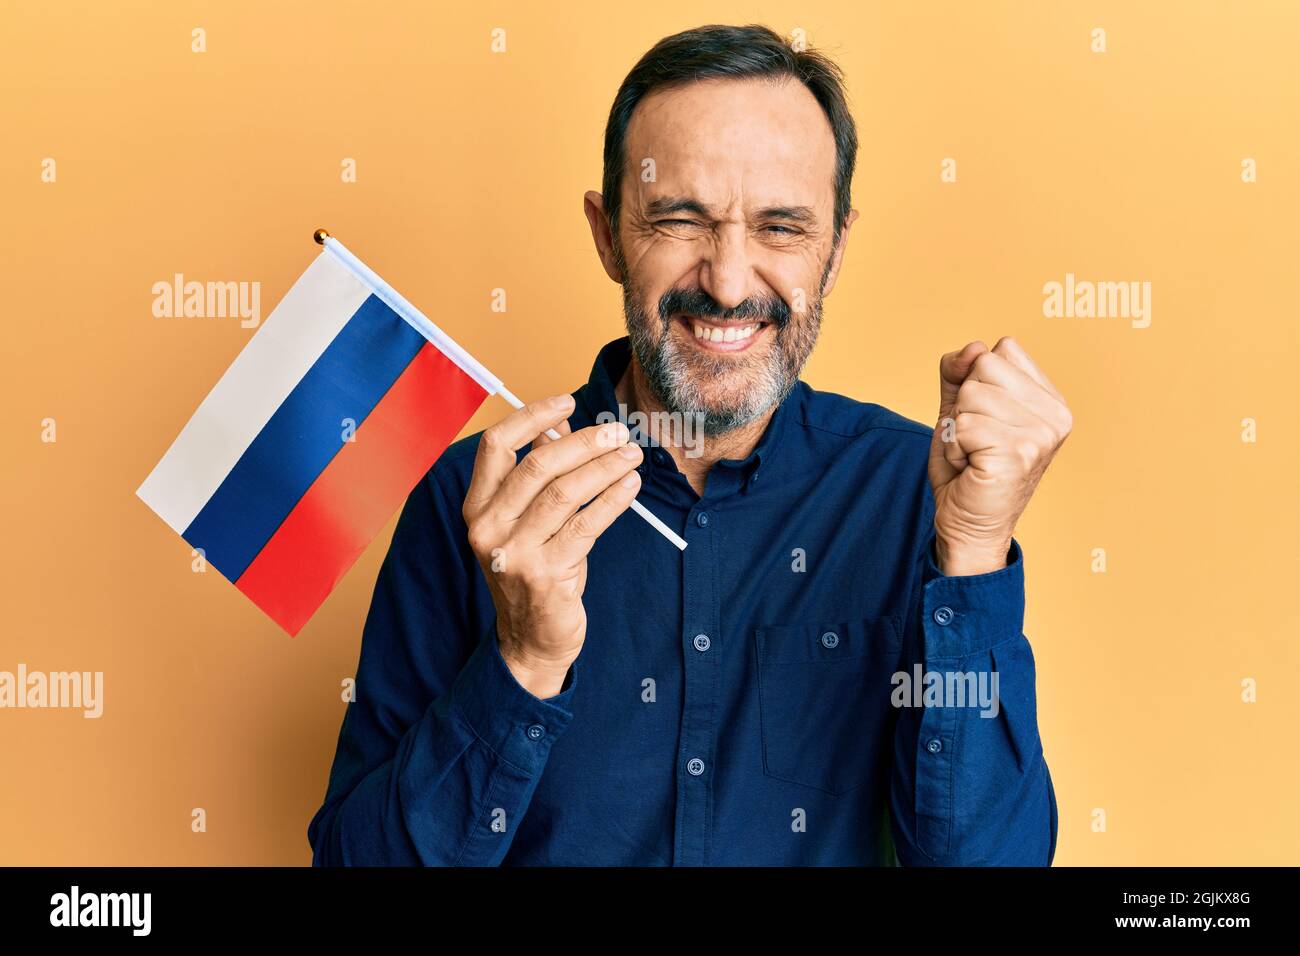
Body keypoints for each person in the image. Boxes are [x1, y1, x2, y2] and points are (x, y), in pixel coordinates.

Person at [308, 23, 1069, 866]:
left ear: (837, 249)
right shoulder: (479, 504)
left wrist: (970, 556)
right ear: (607, 235)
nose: (730, 281)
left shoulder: (914, 495)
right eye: (678, 219)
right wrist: (521, 663)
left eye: (781, 227)